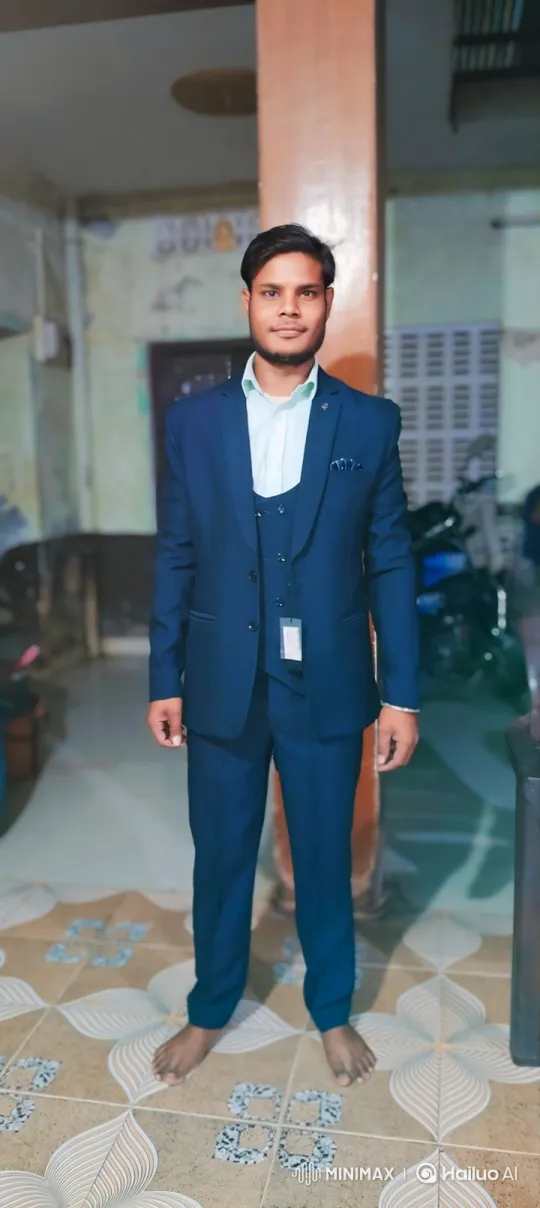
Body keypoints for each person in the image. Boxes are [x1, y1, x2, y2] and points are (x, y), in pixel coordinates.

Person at [147, 224, 419, 1088]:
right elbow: (177, 552)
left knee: (323, 856)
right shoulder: (193, 422)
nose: (290, 308)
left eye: (307, 292)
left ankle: (332, 1010)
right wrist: (165, 676)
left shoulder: (370, 424)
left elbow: (391, 559)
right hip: (222, 680)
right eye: (273, 291)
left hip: (329, 683)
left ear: (327, 303)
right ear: (249, 302)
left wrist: (401, 694)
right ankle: (209, 1006)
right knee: (221, 854)